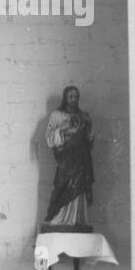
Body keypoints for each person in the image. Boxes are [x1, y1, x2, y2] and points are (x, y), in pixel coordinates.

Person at [42, 84, 94, 230]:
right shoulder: (57, 115)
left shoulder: (83, 116)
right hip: (66, 160)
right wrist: (63, 128)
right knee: (62, 186)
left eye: (76, 97)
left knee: (79, 188)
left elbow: (90, 140)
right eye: (71, 97)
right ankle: (58, 217)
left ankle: (77, 219)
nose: (73, 100)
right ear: (65, 98)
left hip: (81, 160)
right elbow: (49, 138)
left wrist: (89, 127)